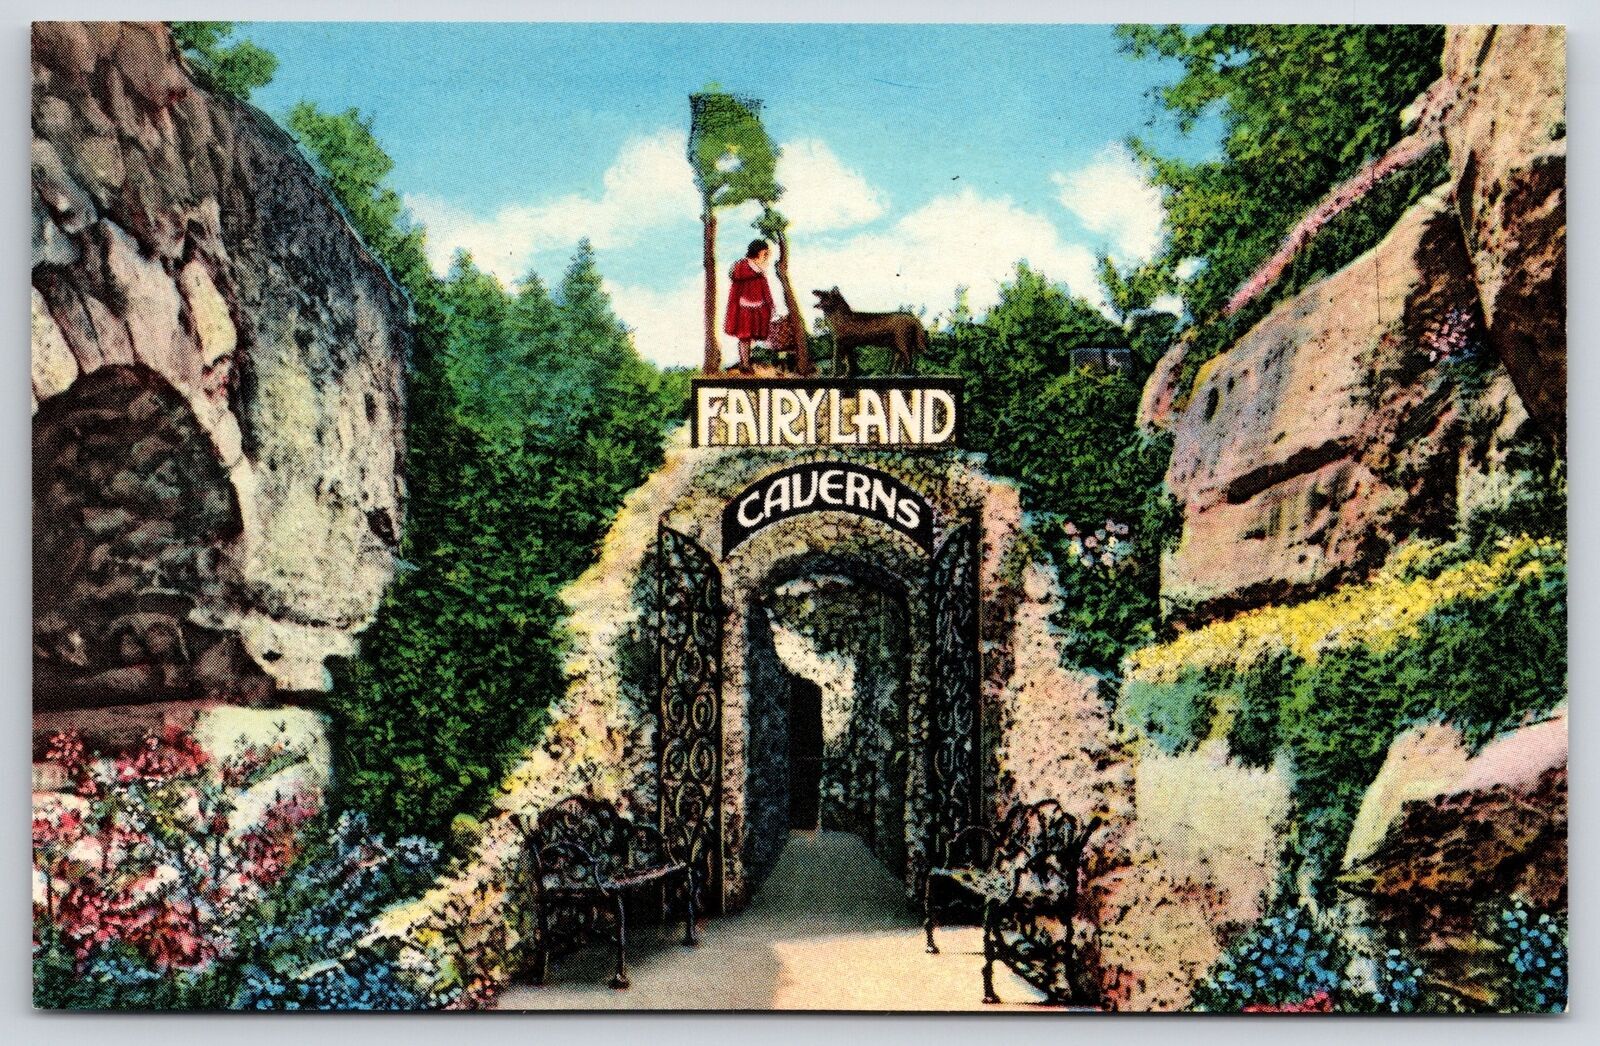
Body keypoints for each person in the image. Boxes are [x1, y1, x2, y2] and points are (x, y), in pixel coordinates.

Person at [724, 239, 775, 373]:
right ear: (757, 252)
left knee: (752, 336)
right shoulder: (742, 266)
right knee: (745, 337)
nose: (766, 256)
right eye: (764, 253)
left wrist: (770, 303)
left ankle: (747, 362)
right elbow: (739, 277)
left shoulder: (761, 268)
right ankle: (745, 364)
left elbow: (764, 288)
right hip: (744, 308)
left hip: (758, 307)